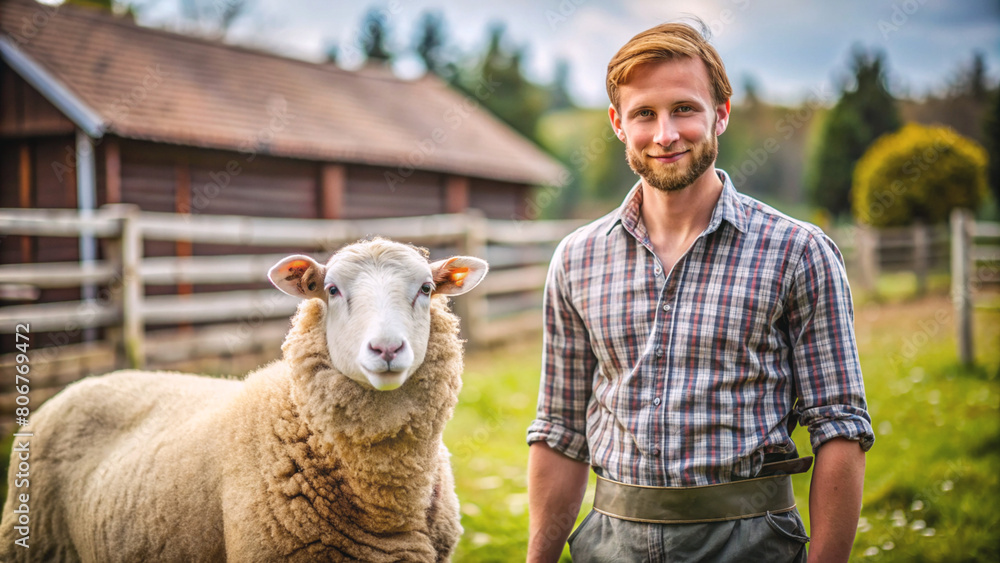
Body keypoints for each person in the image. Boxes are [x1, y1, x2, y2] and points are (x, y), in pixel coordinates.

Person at [526, 21, 874, 563]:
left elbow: (841, 429)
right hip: (609, 544)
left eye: (684, 109)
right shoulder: (576, 258)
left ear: (722, 113)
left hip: (752, 543)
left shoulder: (799, 252)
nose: (665, 134)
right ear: (619, 123)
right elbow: (560, 432)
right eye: (645, 113)